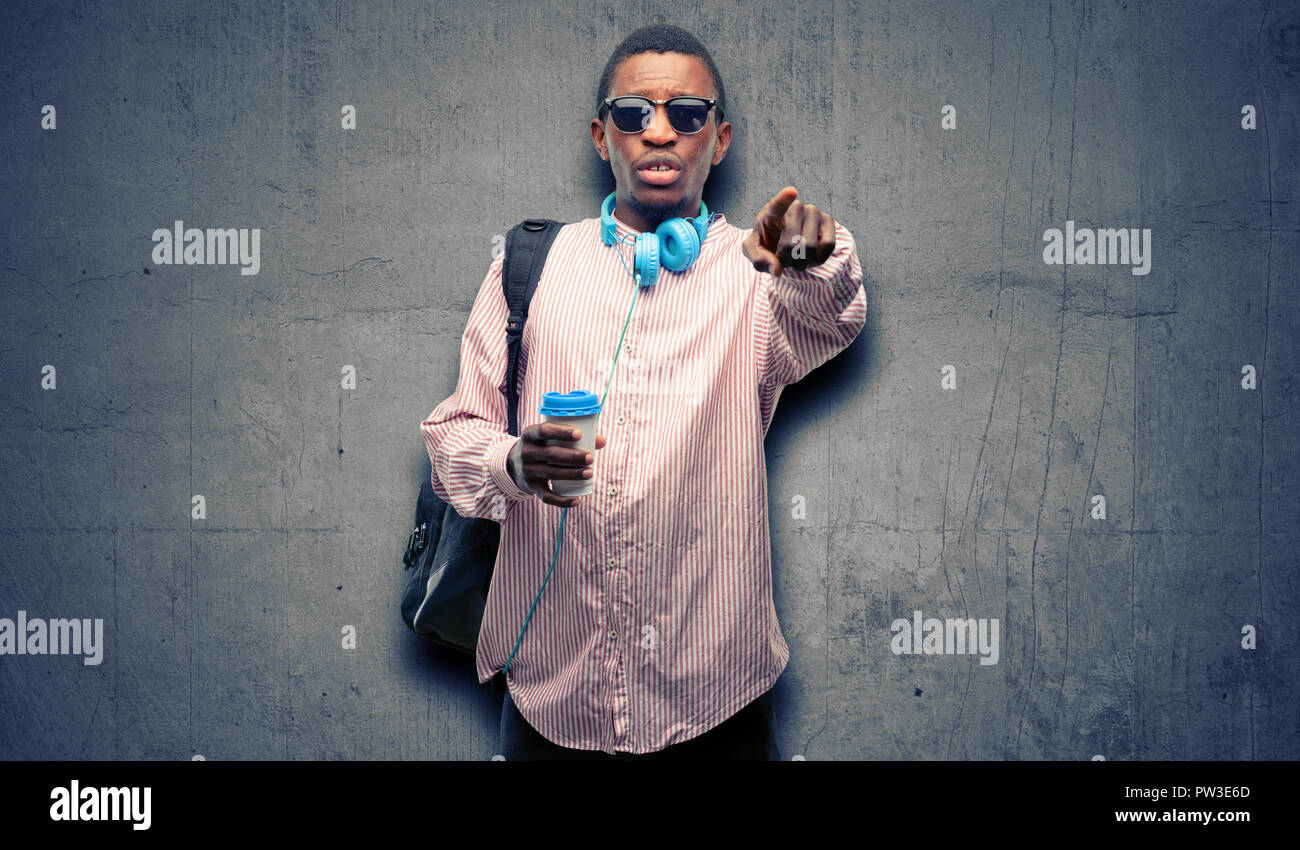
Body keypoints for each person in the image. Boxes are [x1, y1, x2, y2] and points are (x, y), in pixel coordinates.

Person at [420, 24, 867, 759]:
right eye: (633, 113)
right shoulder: (529, 266)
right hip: (550, 702)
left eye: (687, 113)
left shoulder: (755, 276)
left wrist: (815, 251)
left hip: (716, 703)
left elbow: (832, 312)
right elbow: (454, 435)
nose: (659, 130)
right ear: (602, 135)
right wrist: (516, 465)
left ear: (718, 140)